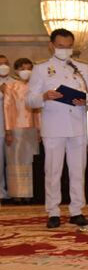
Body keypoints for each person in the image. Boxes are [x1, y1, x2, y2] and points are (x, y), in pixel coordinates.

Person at [26, 28, 88, 228]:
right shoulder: (41, 69)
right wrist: (44, 96)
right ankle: (53, 212)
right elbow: (29, 100)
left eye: (68, 47)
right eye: (60, 47)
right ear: (51, 46)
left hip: (77, 126)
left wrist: (85, 102)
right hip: (54, 128)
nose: (65, 50)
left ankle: (77, 211)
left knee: (77, 170)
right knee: (53, 171)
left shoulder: (82, 68)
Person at [4, 58, 41, 204]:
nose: (26, 71)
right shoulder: (11, 87)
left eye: (28, 68)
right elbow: (6, 109)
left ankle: (29, 193)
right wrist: (8, 130)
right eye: (22, 68)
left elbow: (38, 110)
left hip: (31, 128)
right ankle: (17, 194)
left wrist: (40, 129)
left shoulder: (35, 88)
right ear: (16, 71)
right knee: (16, 161)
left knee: (30, 161)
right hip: (16, 128)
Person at [0, 54, 15, 203]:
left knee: (13, 162)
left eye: (6, 63)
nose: (3, 66)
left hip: (13, 127)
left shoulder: (14, 82)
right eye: (0, 64)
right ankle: (1, 193)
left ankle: (14, 191)